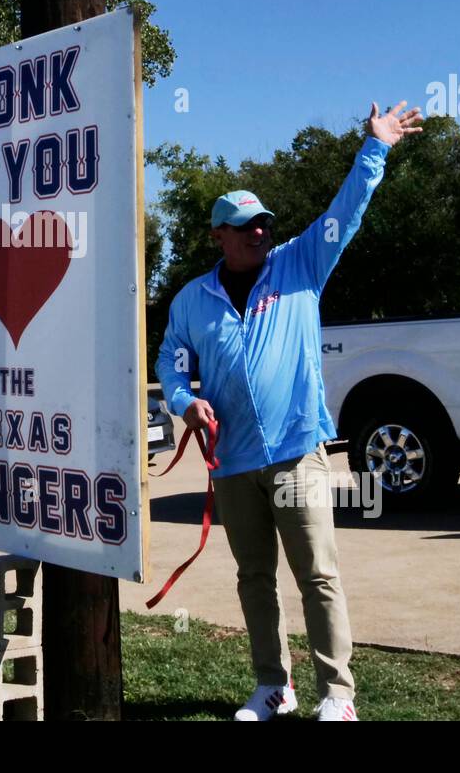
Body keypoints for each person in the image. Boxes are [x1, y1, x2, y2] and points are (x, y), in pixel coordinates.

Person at [155, 102, 422, 721]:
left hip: (297, 453)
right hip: (232, 463)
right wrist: (183, 399)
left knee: (318, 577)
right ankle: (273, 687)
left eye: (263, 224)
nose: (259, 232)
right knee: (255, 580)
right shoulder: (193, 298)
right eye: (245, 226)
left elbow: (345, 212)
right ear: (218, 234)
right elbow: (169, 358)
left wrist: (374, 148)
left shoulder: (300, 264)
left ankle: (339, 695)